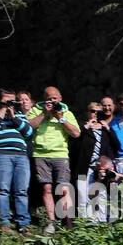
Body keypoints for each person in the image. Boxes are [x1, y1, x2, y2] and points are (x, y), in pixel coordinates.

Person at [28, 86, 81, 230]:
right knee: (47, 188)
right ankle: (52, 222)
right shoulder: (36, 110)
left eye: (54, 98)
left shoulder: (66, 112)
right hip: (41, 154)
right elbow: (28, 127)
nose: (52, 101)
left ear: (60, 98)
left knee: (64, 188)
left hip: (60, 154)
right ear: (44, 99)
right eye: (49, 99)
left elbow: (76, 133)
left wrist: (60, 118)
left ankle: (68, 223)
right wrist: (44, 113)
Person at [0, 87, 34, 231]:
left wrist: (14, 117)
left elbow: (29, 132)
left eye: (12, 100)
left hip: (21, 156)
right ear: (0, 99)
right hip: (0, 154)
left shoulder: (18, 114)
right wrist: (3, 110)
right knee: (2, 189)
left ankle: (23, 223)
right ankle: (3, 222)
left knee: (22, 190)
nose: (11, 103)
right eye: (7, 100)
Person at [74, 102, 119, 221]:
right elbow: (74, 145)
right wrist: (86, 127)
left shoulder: (105, 130)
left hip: (101, 168)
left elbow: (117, 145)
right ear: (88, 113)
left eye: (99, 112)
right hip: (85, 167)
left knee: (101, 196)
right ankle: (84, 223)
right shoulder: (83, 128)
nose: (95, 114)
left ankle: (102, 222)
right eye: (93, 111)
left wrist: (108, 129)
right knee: (83, 195)